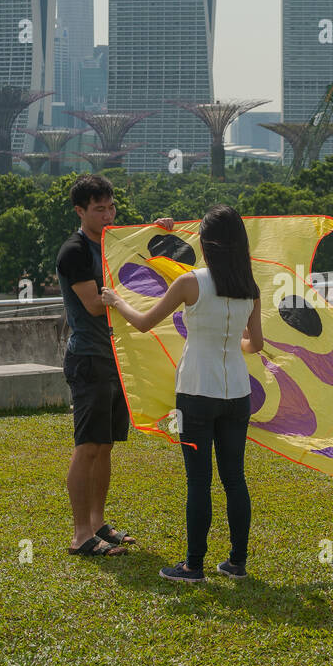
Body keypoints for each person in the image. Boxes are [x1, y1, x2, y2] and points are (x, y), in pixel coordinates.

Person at [104, 204, 263, 583]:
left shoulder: (190, 282)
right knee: (235, 479)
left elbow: (143, 323)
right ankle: (236, 563)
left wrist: (116, 301)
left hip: (196, 393)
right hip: (237, 393)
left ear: (205, 245)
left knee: (198, 481)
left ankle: (194, 565)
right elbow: (254, 343)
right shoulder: (249, 287)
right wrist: (229, 339)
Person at [56, 173, 174, 558]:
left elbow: (147, 262)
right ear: (80, 211)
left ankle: (98, 522)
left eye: (111, 207)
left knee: (105, 446)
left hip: (117, 359)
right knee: (86, 446)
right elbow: (93, 304)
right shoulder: (74, 252)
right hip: (88, 358)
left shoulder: (115, 243)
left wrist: (160, 233)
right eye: (99, 209)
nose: (108, 215)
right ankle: (80, 535)